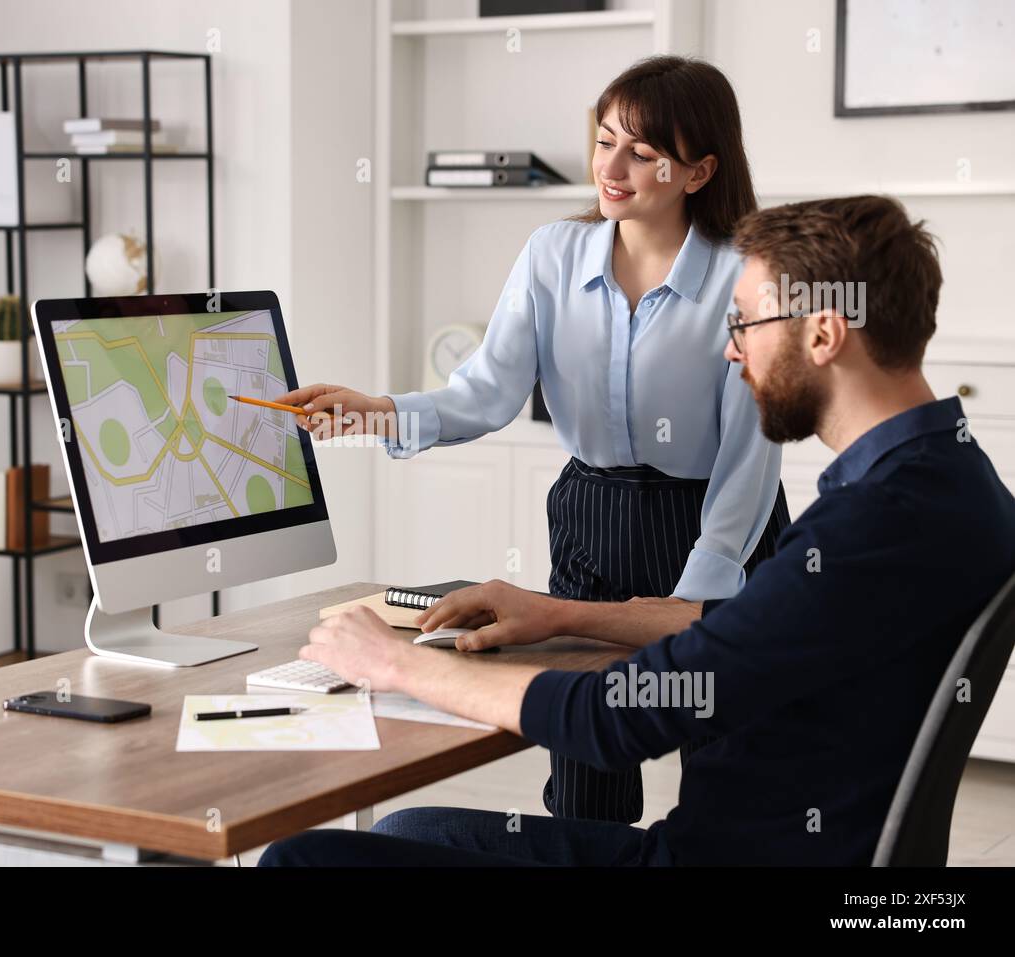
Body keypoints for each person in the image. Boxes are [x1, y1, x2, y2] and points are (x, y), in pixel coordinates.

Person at [259, 194, 1015, 866]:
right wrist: (560, 612)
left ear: (823, 335)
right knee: (407, 829)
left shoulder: (869, 524)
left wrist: (397, 665)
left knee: (302, 857)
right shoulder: (948, 481)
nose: (730, 349)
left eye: (744, 323)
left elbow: (622, 717)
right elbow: (737, 626)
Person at [275, 56, 790, 826]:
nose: (610, 166)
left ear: (697, 170)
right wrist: (373, 411)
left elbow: (750, 459)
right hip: (592, 516)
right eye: (605, 138)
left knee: (731, 757)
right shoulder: (552, 255)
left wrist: (696, 599)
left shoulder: (744, 277)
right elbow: (482, 395)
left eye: (642, 152)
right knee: (584, 762)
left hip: (717, 518)